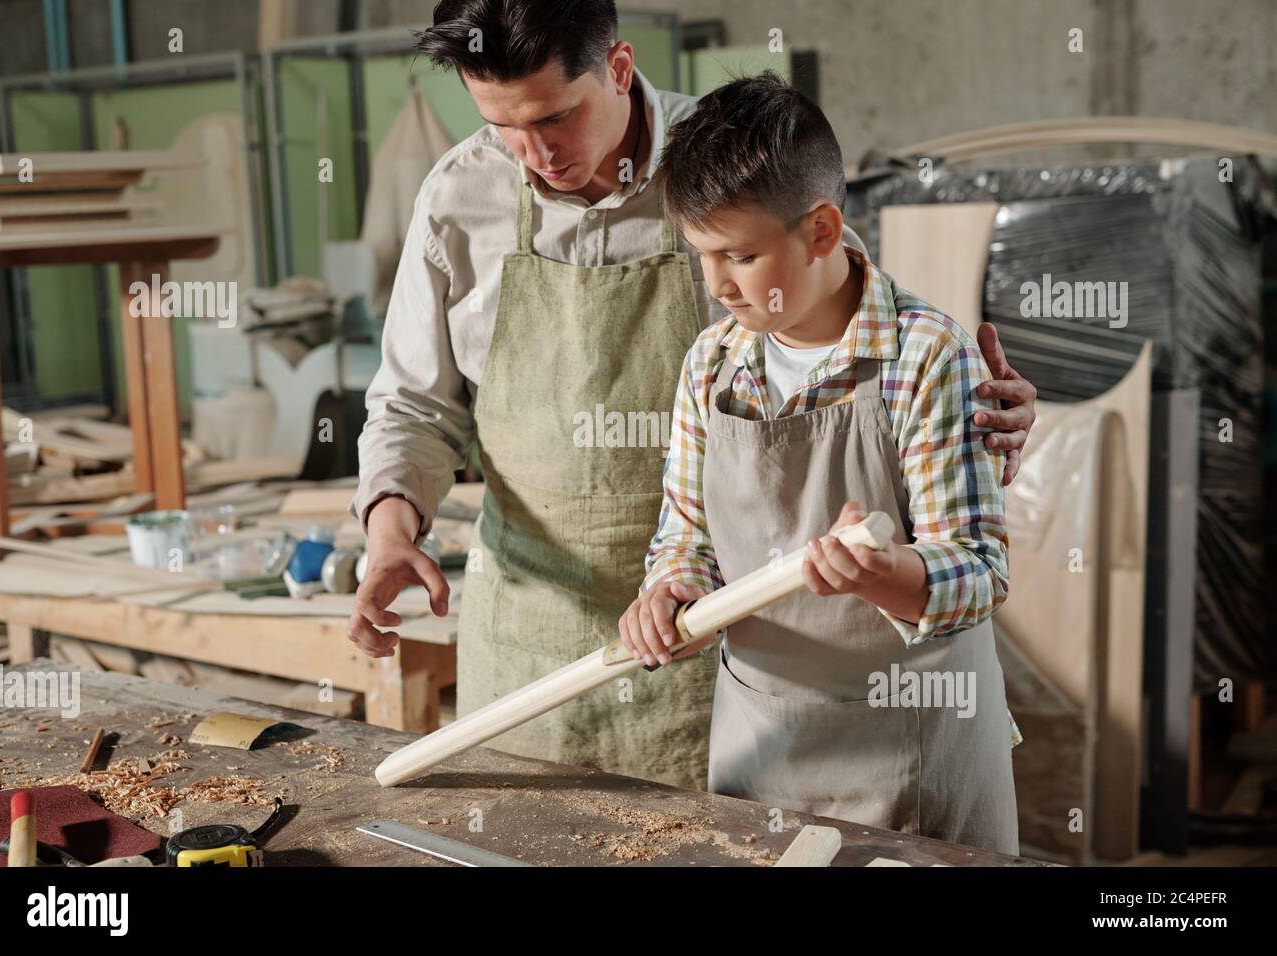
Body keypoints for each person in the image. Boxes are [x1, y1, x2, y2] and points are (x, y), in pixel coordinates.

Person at [349, 1, 1037, 795]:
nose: (535, 154)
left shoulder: (721, 164)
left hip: (721, 637)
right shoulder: (457, 197)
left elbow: (849, 329)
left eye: (556, 117)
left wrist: (968, 409)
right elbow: (412, 404)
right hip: (532, 636)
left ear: (616, 67)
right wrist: (392, 531)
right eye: (503, 125)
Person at [618, 73, 1020, 852]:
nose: (717, 284)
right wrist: (671, 596)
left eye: (740, 254)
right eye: (702, 254)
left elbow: (979, 570)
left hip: (912, 744)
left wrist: (882, 576)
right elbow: (689, 536)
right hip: (765, 744)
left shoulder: (926, 356)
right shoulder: (711, 365)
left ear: (823, 231)